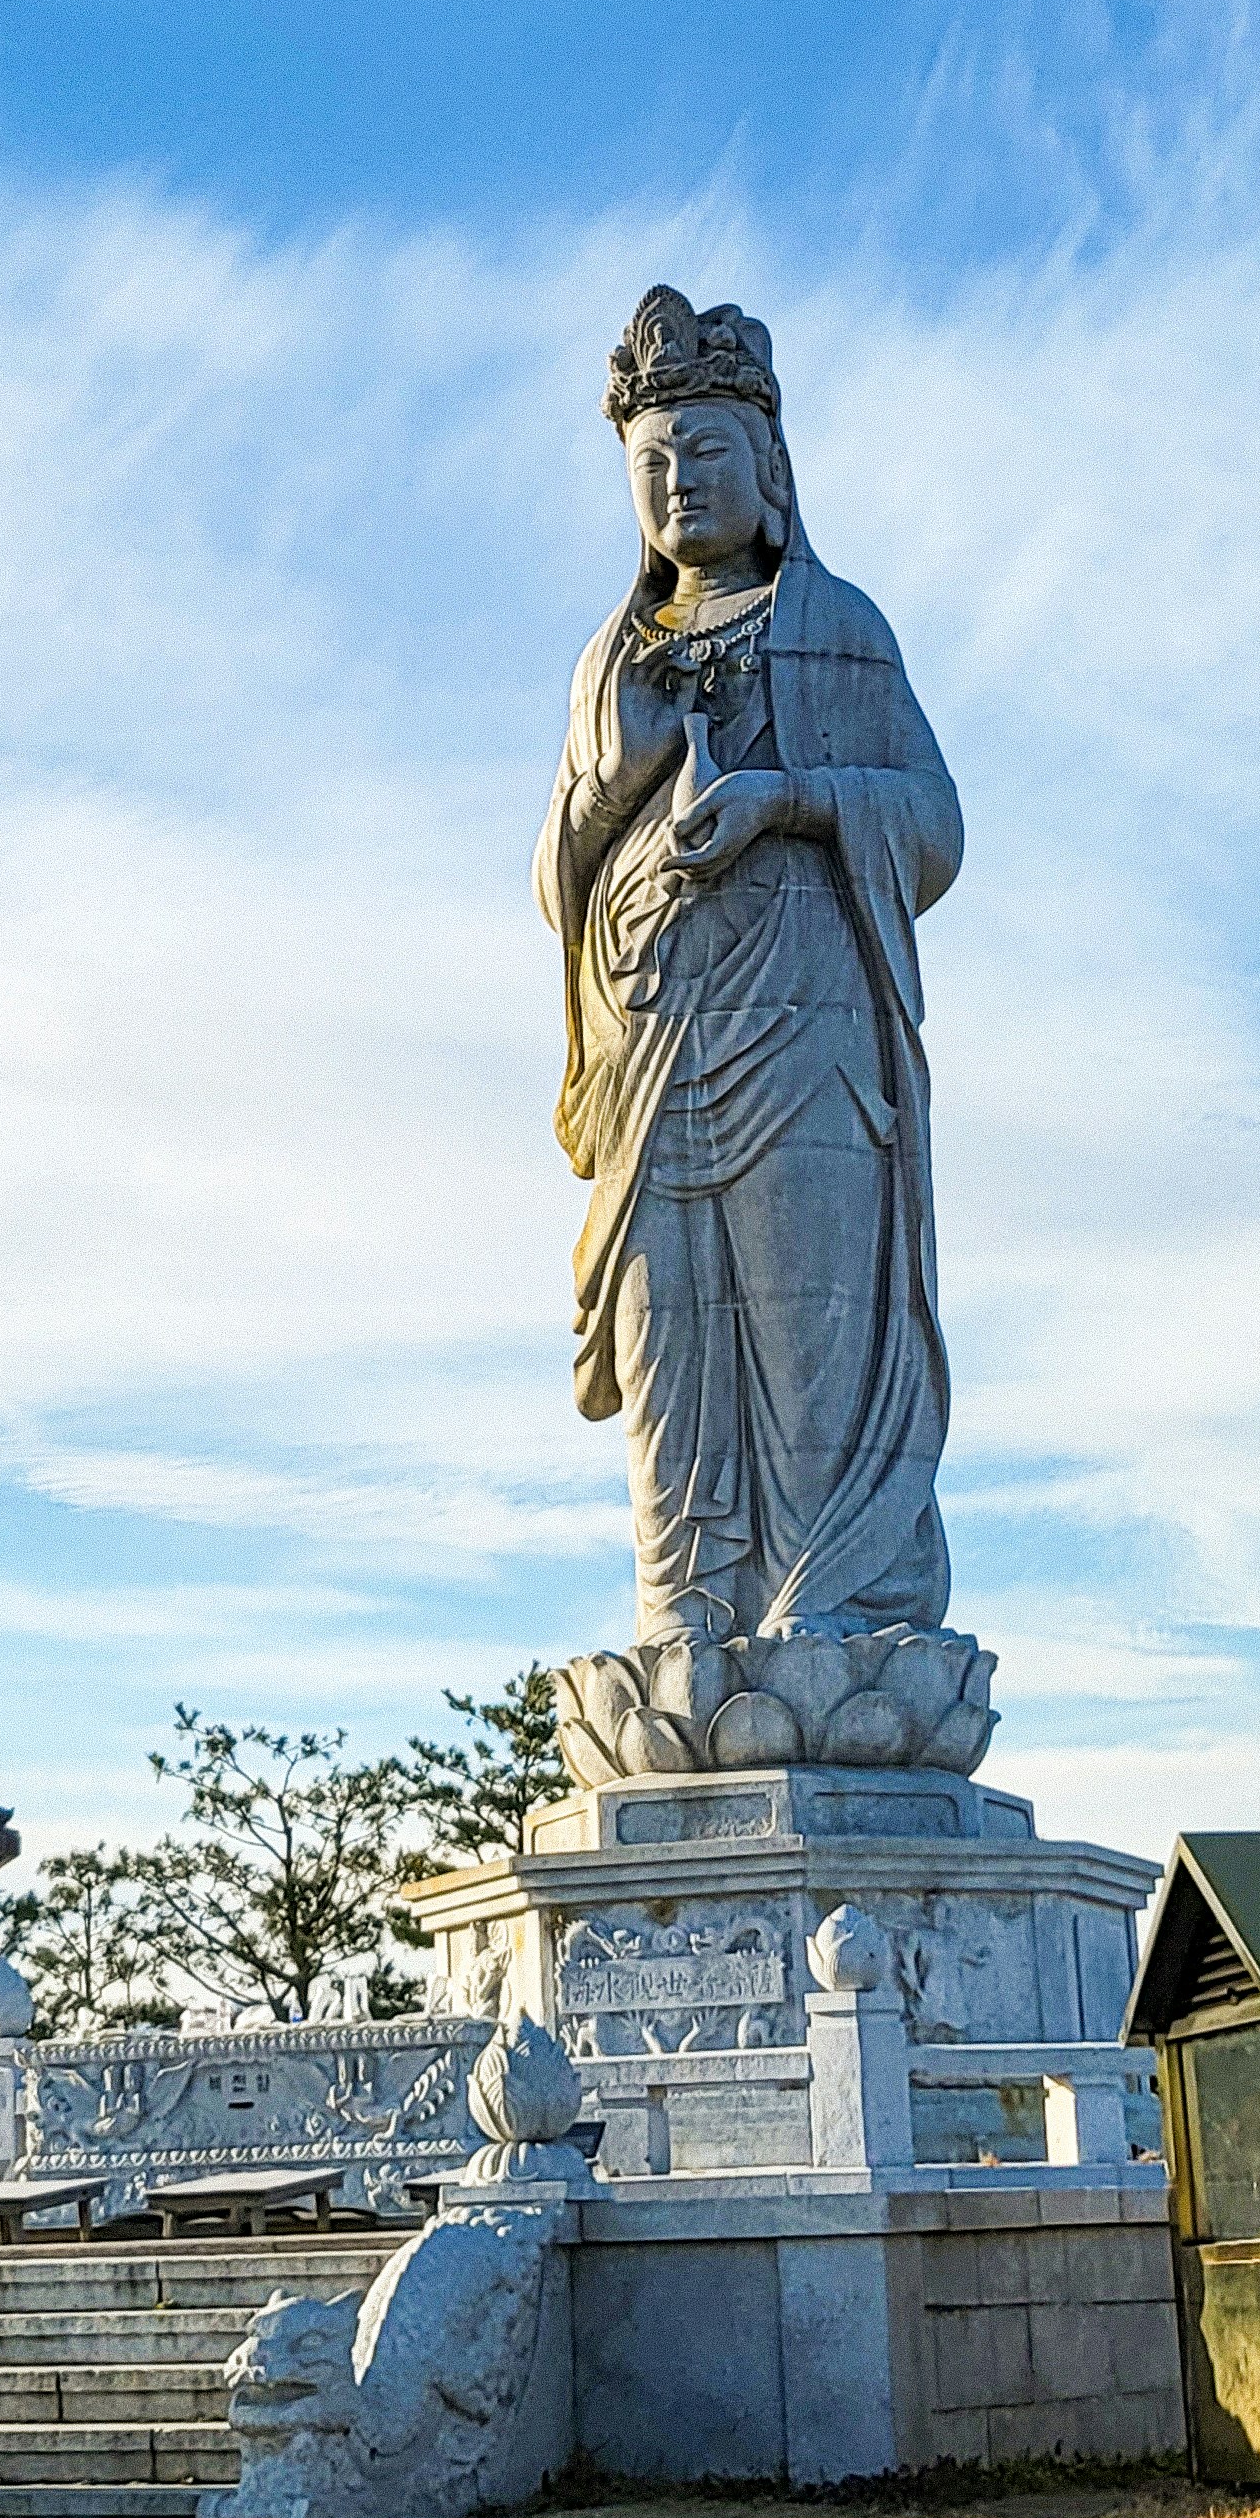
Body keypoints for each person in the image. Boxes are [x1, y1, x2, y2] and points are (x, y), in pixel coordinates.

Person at [539, 286, 964, 1742]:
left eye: (705, 449)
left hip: (808, 1034)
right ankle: (686, 1615)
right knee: (673, 1352)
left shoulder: (835, 625)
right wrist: (624, 771)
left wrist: (784, 801)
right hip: (657, 1049)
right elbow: (554, 883)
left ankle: (827, 1609)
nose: (678, 482)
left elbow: (935, 825)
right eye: (651, 462)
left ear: (771, 465)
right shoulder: (615, 660)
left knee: (804, 1345)